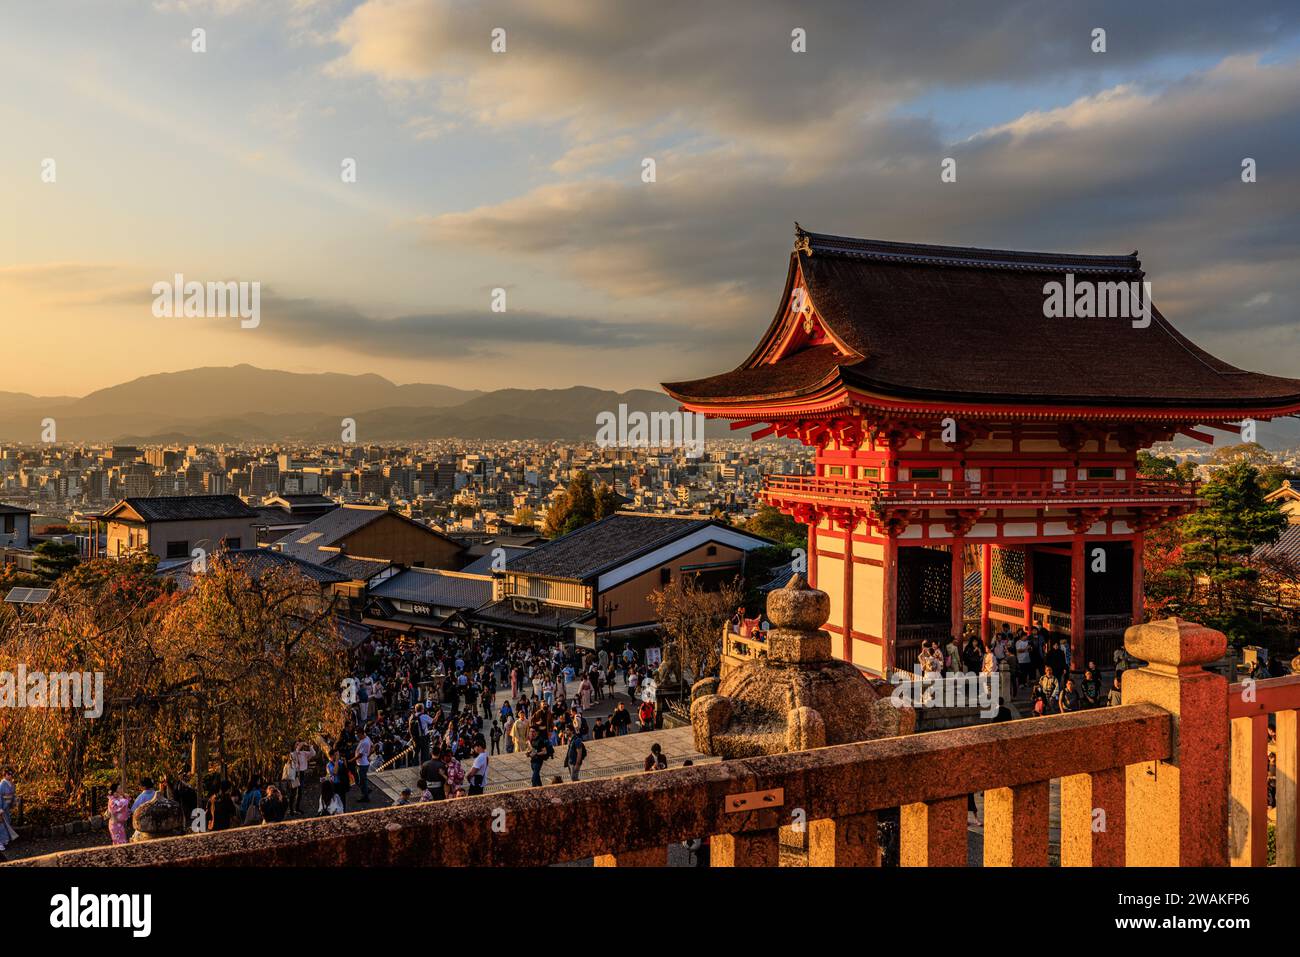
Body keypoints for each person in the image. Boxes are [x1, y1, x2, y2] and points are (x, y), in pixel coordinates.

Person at [106, 781, 131, 845]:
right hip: (115, 824)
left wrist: (124, 796)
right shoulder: (112, 800)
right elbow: (122, 804)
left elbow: (126, 801)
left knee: (121, 842)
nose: (121, 789)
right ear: (115, 791)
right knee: (118, 843)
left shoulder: (119, 798)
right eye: (119, 788)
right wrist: (125, 796)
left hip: (119, 824)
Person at [355, 727, 373, 803]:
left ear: (361, 734)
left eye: (357, 735)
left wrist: (351, 760)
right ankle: (366, 791)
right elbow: (372, 746)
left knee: (362, 780)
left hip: (362, 764)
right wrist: (368, 755)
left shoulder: (364, 742)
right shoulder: (366, 739)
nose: (357, 736)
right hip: (362, 762)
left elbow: (360, 755)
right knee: (362, 779)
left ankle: (365, 796)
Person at [0, 769, 17, 849]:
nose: (10, 776)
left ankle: (5, 840)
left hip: (7, 807)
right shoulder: (1, 784)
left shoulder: (12, 784)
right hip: (2, 807)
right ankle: (1, 843)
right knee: (2, 825)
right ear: (5, 775)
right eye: (8, 774)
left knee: (8, 823)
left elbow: (13, 795)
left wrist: (13, 803)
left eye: (11, 774)